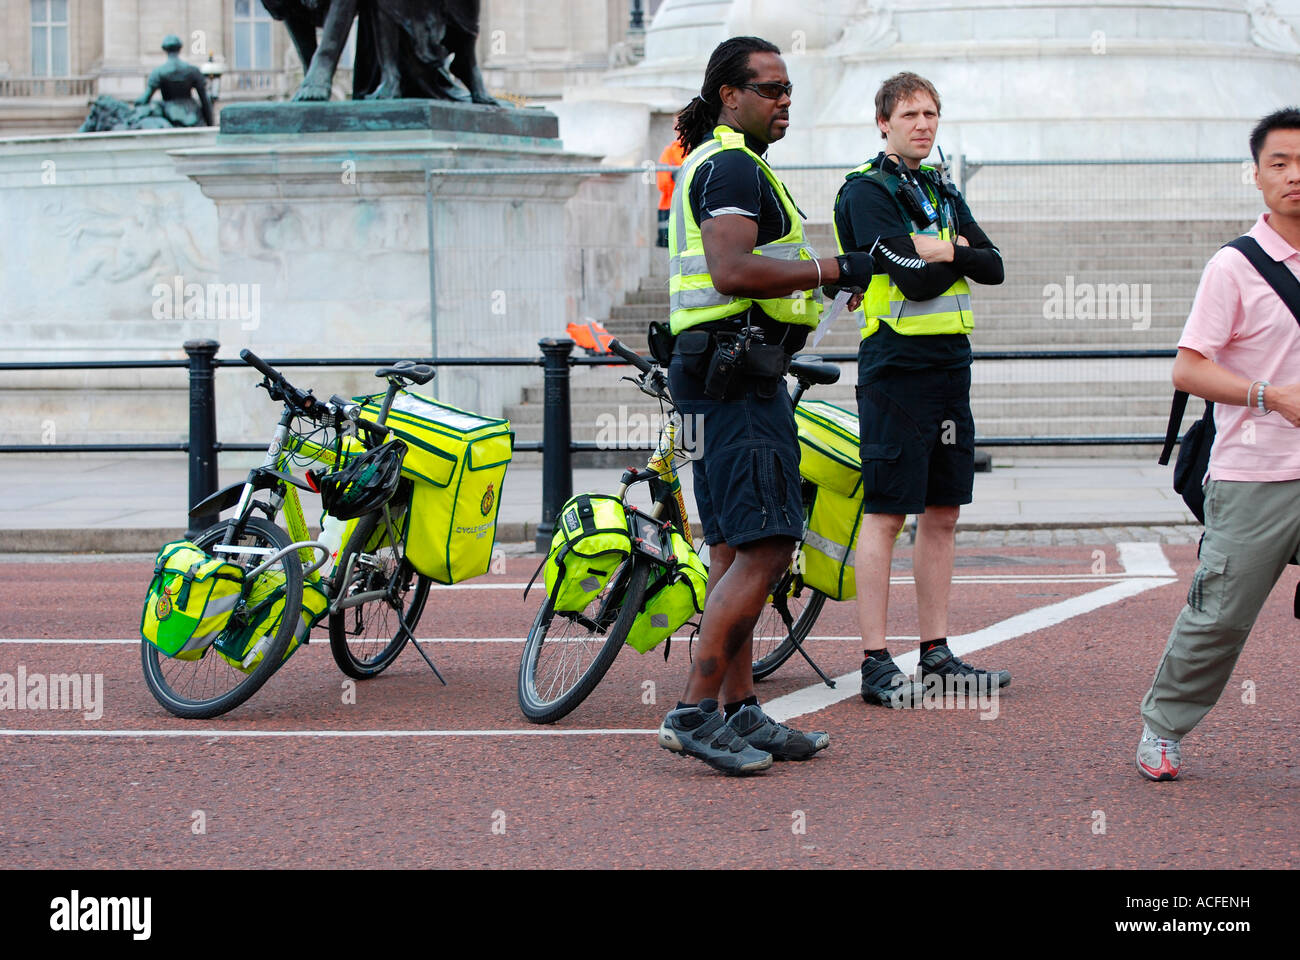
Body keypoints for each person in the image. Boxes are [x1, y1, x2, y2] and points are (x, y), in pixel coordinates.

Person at [655, 36, 875, 775]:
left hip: (710, 374)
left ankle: (739, 710)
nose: (784, 102)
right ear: (730, 95)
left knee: (729, 544)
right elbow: (731, 267)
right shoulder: (730, 166)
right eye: (770, 90)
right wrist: (832, 266)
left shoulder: (723, 162)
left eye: (788, 91)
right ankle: (693, 711)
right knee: (770, 543)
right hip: (735, 378)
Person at [831, 72, 1008, 709]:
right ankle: (876, 661)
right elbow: (915, 285)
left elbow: (995, 266)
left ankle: (935, 653)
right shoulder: (866, 191)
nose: (923, 124)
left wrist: (941, 247)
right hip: (895, 371)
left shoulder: (939, 187)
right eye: (910, 114)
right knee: (886, 512)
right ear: (883, 122)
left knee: (944, 512)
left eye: (932, 113)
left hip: (949, 369)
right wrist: (952, 251)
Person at [1137, 107, 1300, 781]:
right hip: (1255, 472)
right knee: (1219, 617)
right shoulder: (1235, 267)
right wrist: (1274, 396)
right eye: (1280, 163)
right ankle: (1162, 728)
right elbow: (1189, 366)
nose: (1295, 176)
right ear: (1256, 175)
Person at [135, 35, 214, 128]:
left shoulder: (158, 72)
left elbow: (145, 99)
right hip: (192, 114)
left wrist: (137, 105)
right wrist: (210, 124)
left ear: (165, 50)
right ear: (179, 49)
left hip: (169, 114)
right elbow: (205, 100)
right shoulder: (193, 70)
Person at [656, 139, 686, 247]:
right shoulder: (670, 152)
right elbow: (663, 183)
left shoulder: (670, 152)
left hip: (672, 206)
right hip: (671, 206)